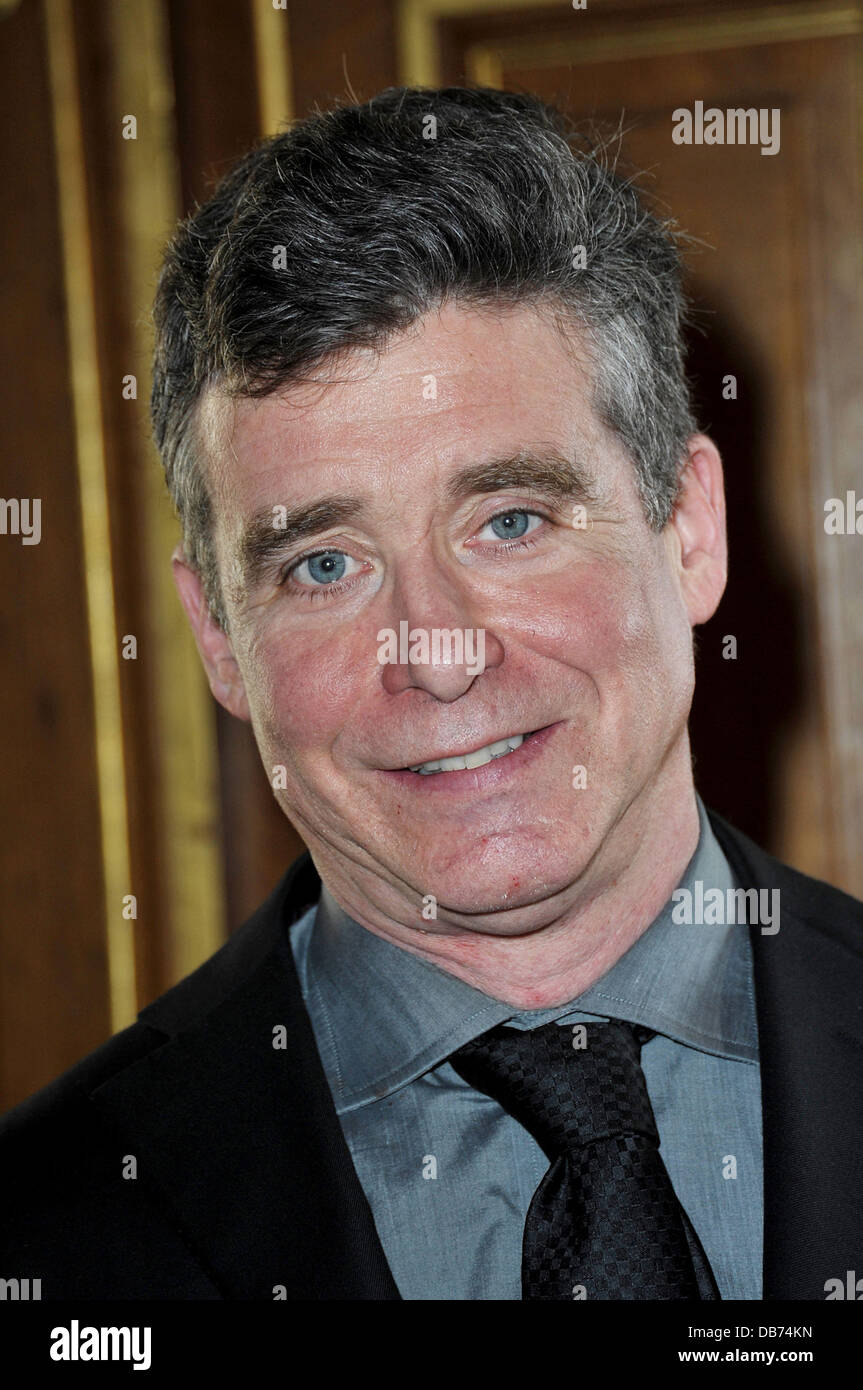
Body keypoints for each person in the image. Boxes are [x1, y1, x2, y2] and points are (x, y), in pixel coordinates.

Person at [2, 86, 861, 1302]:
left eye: (509, 520)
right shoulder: (47, 1233)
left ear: (689, 531)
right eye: (324, 564)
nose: (436, 650)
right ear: (220, 640)